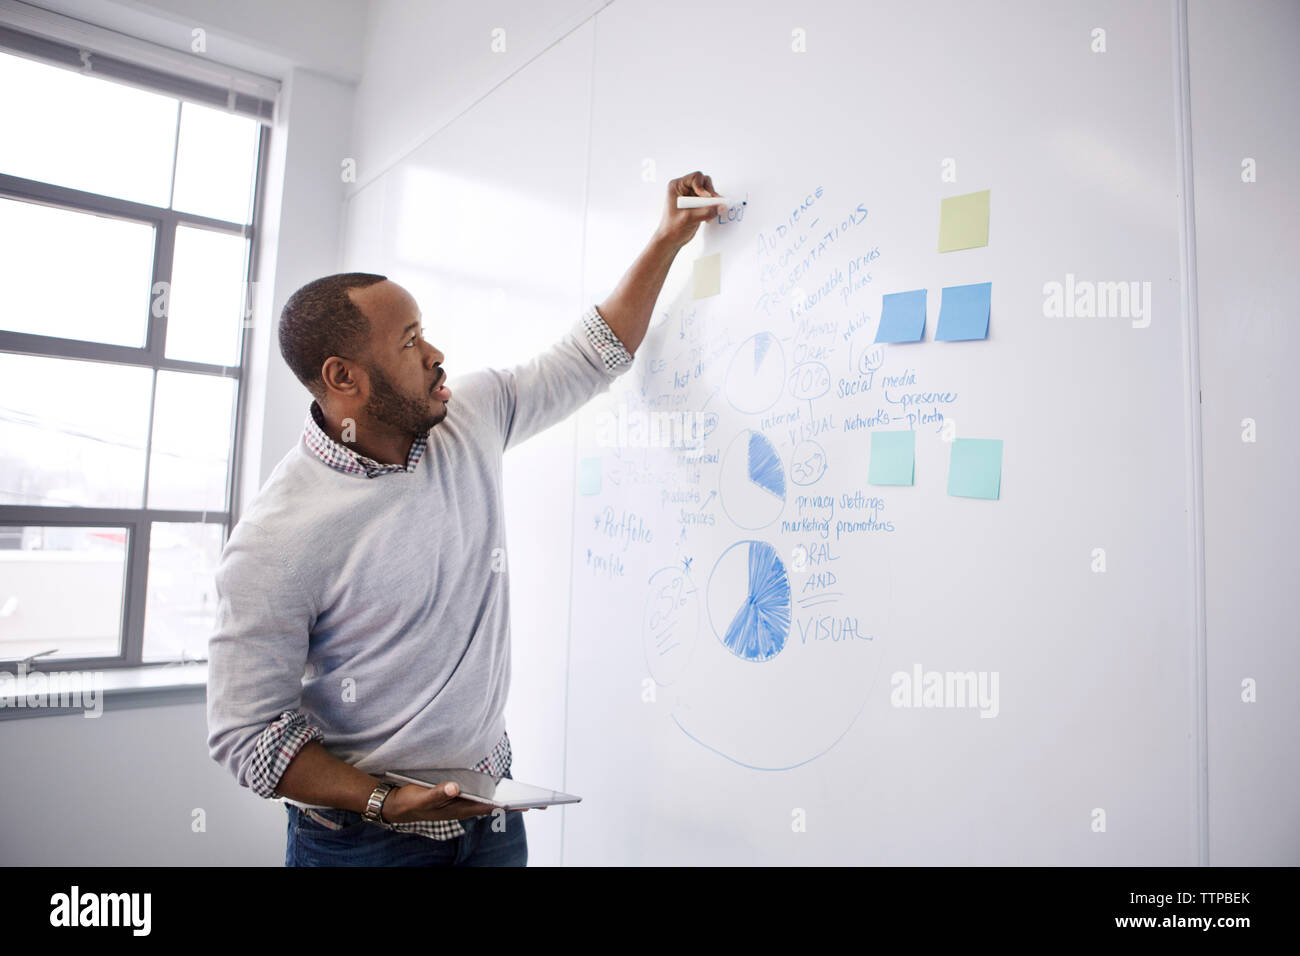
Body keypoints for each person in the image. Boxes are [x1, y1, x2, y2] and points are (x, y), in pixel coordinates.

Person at [206, 171, 727, 866]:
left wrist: (667, 241)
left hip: (490, 814)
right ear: (342, 379)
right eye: (410, 340)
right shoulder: (277, 540)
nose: (435, 354)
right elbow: (248, 734)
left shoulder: (467, 418)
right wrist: (381, 802)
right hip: (363, 847)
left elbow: (591, 355)